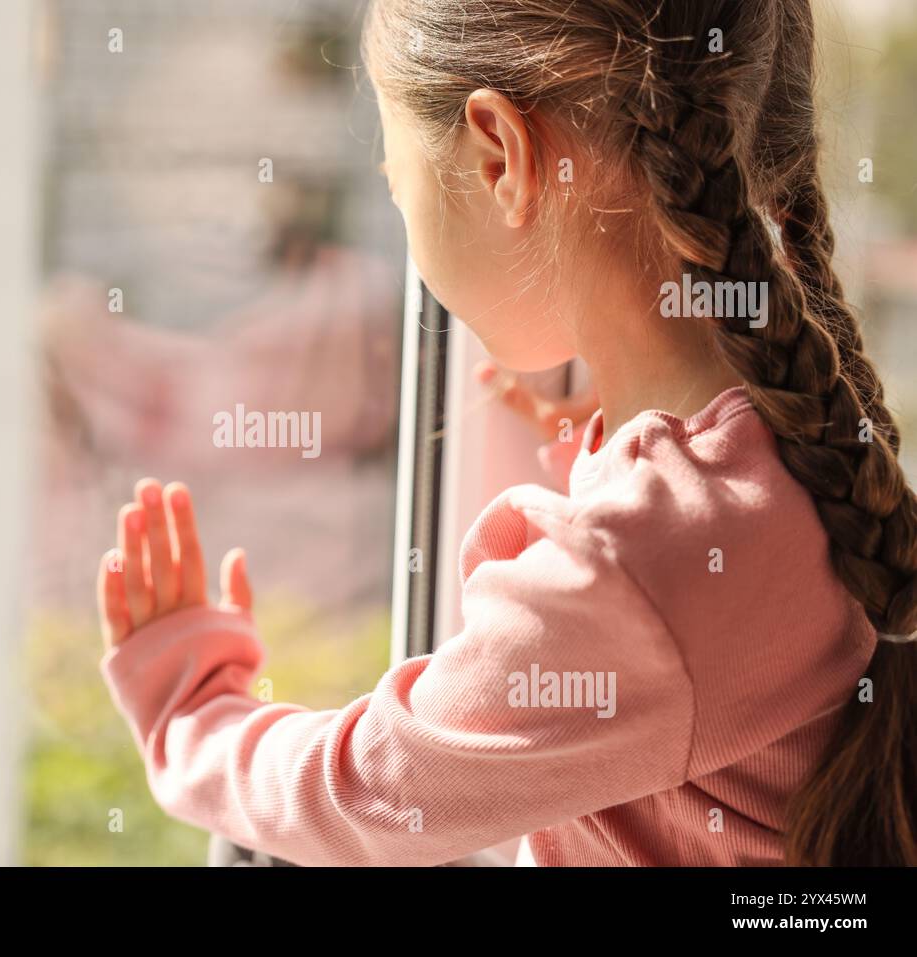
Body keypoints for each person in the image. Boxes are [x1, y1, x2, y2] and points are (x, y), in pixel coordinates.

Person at [93, 0, 917, 866]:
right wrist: (614, 462)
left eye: (398, 182)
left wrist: (188, 706)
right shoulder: (792, 442)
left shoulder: (641, 557)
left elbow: (367, 792)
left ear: (499, 158)